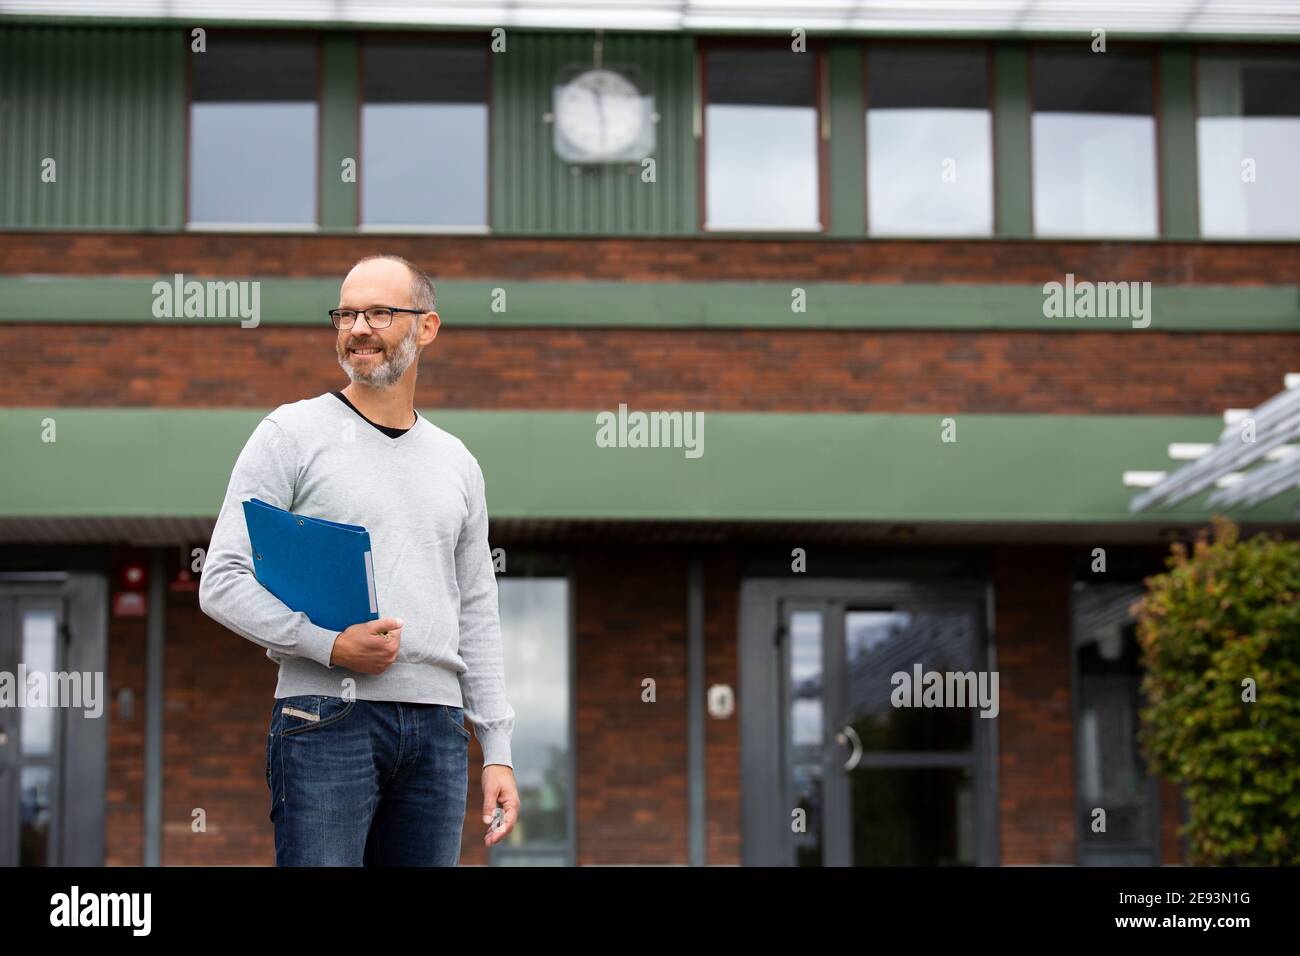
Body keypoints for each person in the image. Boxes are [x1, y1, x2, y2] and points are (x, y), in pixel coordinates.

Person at [198, 253, 519, 865]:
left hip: (439, 730)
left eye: (379, 312)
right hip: (323, 717)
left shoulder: (458, 462)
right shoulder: (289, 434)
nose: (358, 329)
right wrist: (326, 644)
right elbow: (222, 579)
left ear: (426, 327)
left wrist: (497, 746)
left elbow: (477, 607)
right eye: (346, 314)